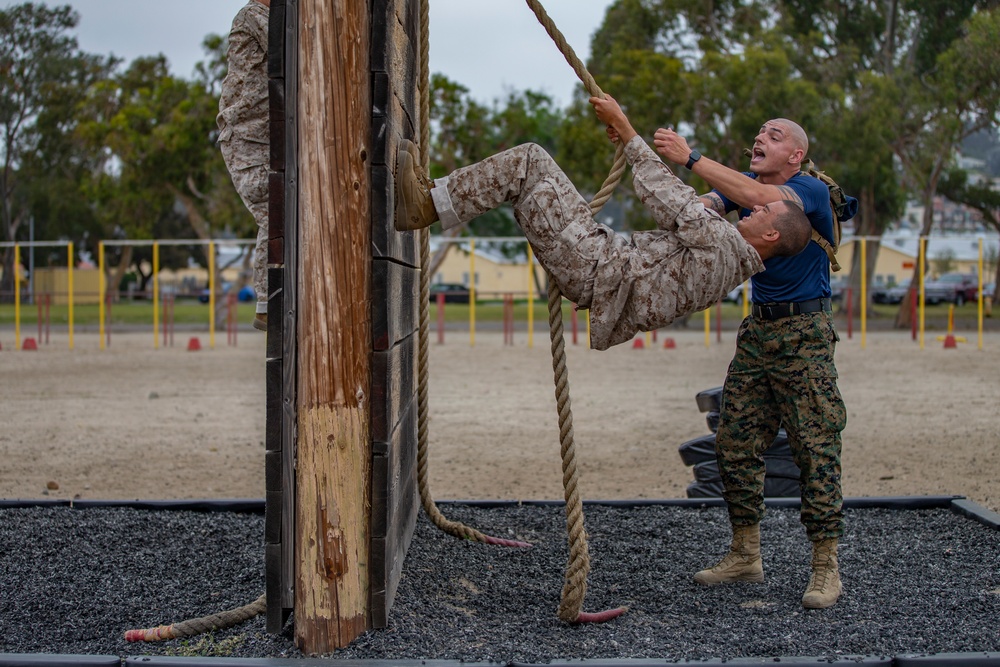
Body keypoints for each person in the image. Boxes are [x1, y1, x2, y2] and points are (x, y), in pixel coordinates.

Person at [395, 96, 812, 352]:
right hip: (601, 261)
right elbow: (692, 207)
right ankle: (432, 199)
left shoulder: (724, 245)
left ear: (771, 234)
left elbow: (667, 197)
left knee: (528, 161)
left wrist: (628, 129)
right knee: (532, 170)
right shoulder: (729, 258)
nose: (755, 209)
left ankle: (426, 206)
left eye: (763, 213)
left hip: (595, 263)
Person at [654, 121, 848, 609]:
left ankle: (826, 565)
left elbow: (752, 192)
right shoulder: (745, 187)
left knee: (814, 448)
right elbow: (702, 206)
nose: (762, 137)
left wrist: (690, 157)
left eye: (776, 135)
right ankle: (746, 553)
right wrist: (649, 165)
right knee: (735, 443)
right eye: (760, 131)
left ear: (797, 155)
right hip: (759, 332)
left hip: (805, 336)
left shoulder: (808, 192)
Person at [218, 0, 271, 331]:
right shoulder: (255, 17)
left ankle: (271, 298)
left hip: (266, 139)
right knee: (274, 212)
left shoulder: (276, 15)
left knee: (284, 209)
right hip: (246, 139)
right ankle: (267, 302)